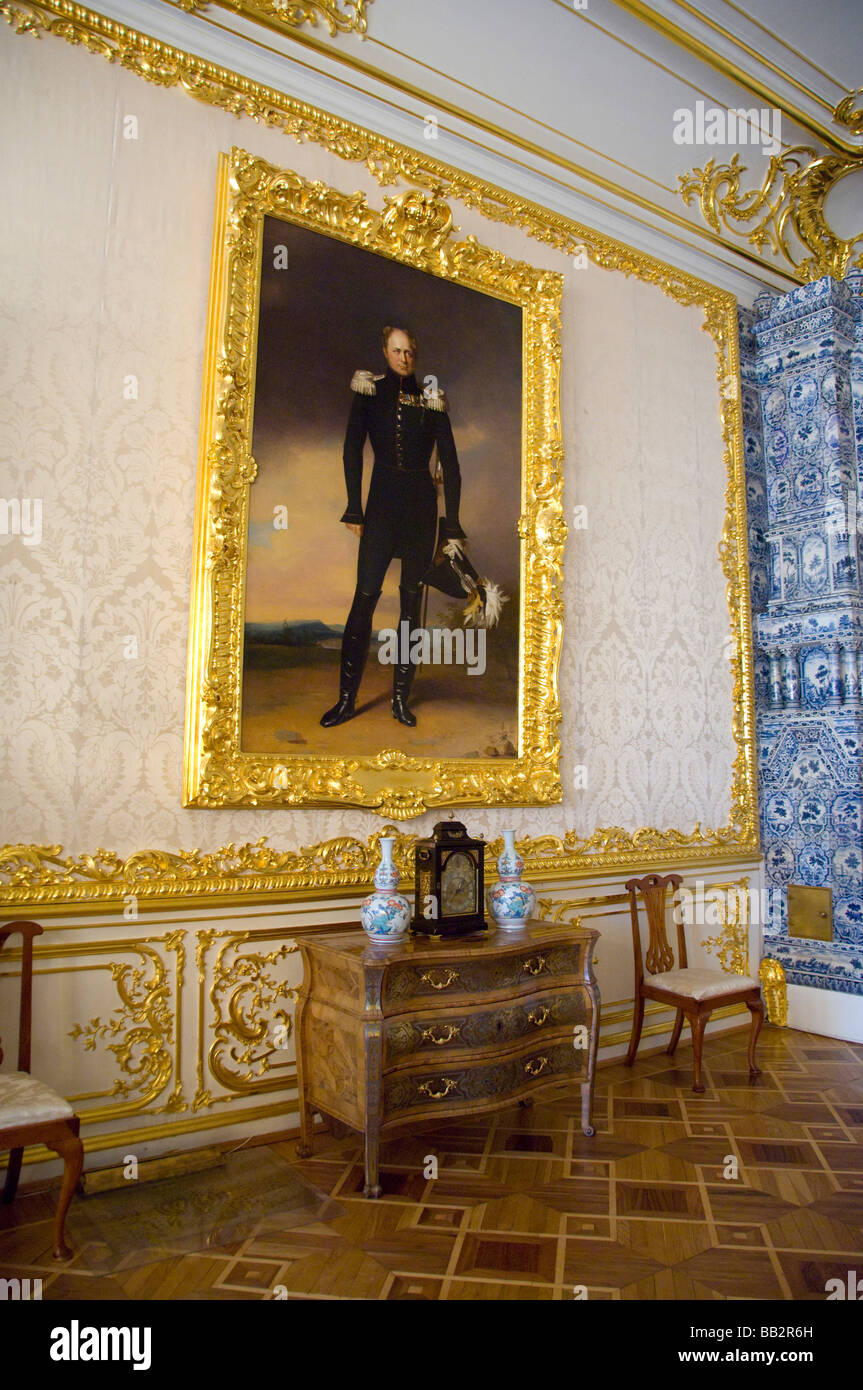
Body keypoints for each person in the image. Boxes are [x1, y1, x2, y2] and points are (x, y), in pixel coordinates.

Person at [320, 325, 466, 728]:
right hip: (381, 506)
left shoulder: (432, 402)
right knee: (364, 598)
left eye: (408, 352)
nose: (403, 358)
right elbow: (351, 448)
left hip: (419, 509)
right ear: (385, 351)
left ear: (414, 354)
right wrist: (354, 507)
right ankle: (347, 701)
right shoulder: (368, 392)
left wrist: (452, 524)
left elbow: (451, 467)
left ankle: (401, 700)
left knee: (409, 608)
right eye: (396, 351)